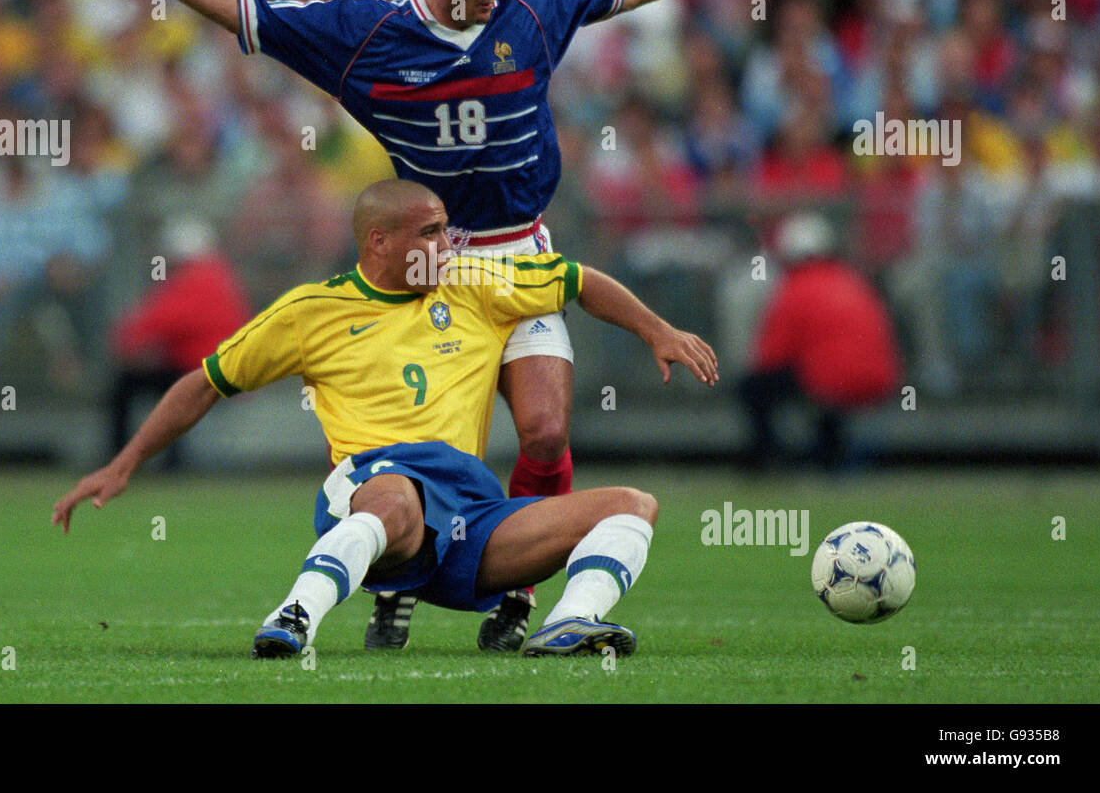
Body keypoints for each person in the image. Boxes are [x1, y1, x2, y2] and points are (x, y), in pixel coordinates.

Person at [85, 0, 726, 649]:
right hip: (428, 262)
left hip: (516, 250)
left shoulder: (530, 4)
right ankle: (396, 576)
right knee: (417, 441)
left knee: (548, 433)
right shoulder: (364, 35)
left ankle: (518, 595)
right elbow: (246, 13)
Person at [52, 179, 718, 658]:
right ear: (380, 241)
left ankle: (569, 625)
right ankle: (295, 615)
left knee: (632, 505)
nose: (445, 241)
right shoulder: (312, 310)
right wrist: (123, 463)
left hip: (471, 518)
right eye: (429, 231)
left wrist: (657, 329)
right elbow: (203, 383)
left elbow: (579, 280)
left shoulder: (475, 282)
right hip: (377, 485)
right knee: (400, 496)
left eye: (445, 228)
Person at [739, 213, 900, 471]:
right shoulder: (854, 281)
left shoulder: (796, 288)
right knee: (821, 384)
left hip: (832, 382)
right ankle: (828, 454)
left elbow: (769, 357)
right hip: (880, 379)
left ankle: (768, 460)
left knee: (752, 387)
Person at [108, 216, 252, 468]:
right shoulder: (219, 276)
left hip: (201, 371)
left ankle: (124, 458)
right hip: (210, 369)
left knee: (126, 387)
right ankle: (170, 461)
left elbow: (156, 320)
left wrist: (127, 342)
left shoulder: (196, 279)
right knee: (167, 389)